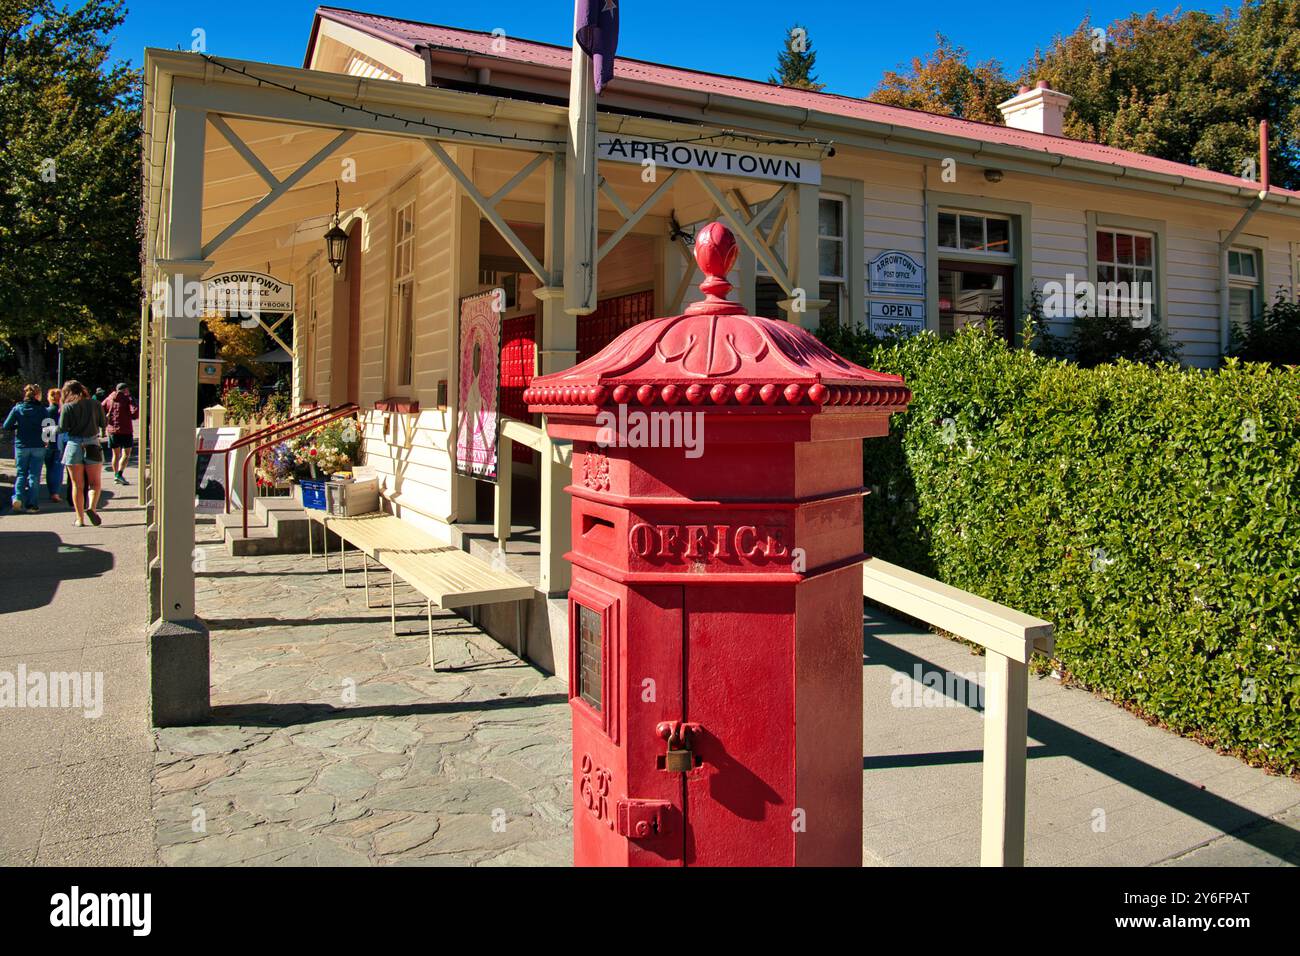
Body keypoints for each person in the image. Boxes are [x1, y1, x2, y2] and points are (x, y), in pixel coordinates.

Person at [58, 380, 107, 527]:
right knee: (95, 483)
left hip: (74, 446)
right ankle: (91, 508)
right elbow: (103, 424)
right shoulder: (95, 404)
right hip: (92, 444)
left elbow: (62, 428)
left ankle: (80, 519)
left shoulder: (67, 407)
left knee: (77, 485)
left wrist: (49, 431)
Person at [3, 384, 48, 512]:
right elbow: (49, 428)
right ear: (37, 395)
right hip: (38, 445)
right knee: (34, 475)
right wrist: (47, 441)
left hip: (21, 445)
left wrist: (17, 427)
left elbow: (6, 426)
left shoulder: (17, 409)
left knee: (21, 473)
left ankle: (17, 497)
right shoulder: (42, 410)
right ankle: (32, 504)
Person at [102, 382, 138, 485]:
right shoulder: (127, 399)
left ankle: (115, 475)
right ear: (125, 390)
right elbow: (134, 413)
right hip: (126, 430)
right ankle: (119, 474)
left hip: (112, 431)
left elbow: (101, 407)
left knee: (115, 455)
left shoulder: (109, 398)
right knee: (126, 454)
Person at [43, 388, 63, 504]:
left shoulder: (47, 411)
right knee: (57, 469)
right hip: (59, 443)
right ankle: (55, 492)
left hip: (49, 442)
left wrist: (46, 441)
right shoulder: (62, 411)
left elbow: (46, 429)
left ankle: (51, 491)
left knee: (49, 469)